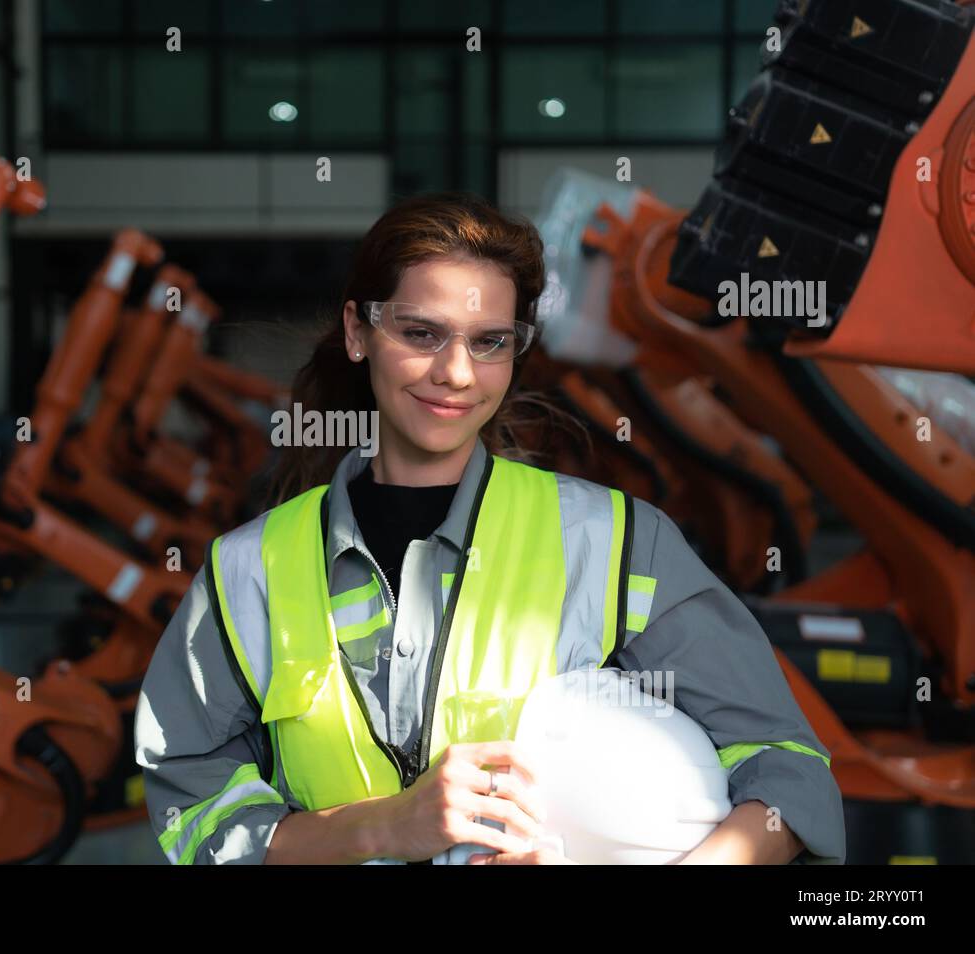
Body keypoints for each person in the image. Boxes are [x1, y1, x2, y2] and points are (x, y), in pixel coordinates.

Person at [133, 192, 846, 865]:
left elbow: (788, 771)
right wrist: (386, 824)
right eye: (421, 334)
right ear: (358, 331)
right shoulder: (246, 571)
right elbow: (188, 803)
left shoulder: (617, 542)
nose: (455, 373)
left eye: (489, 343)